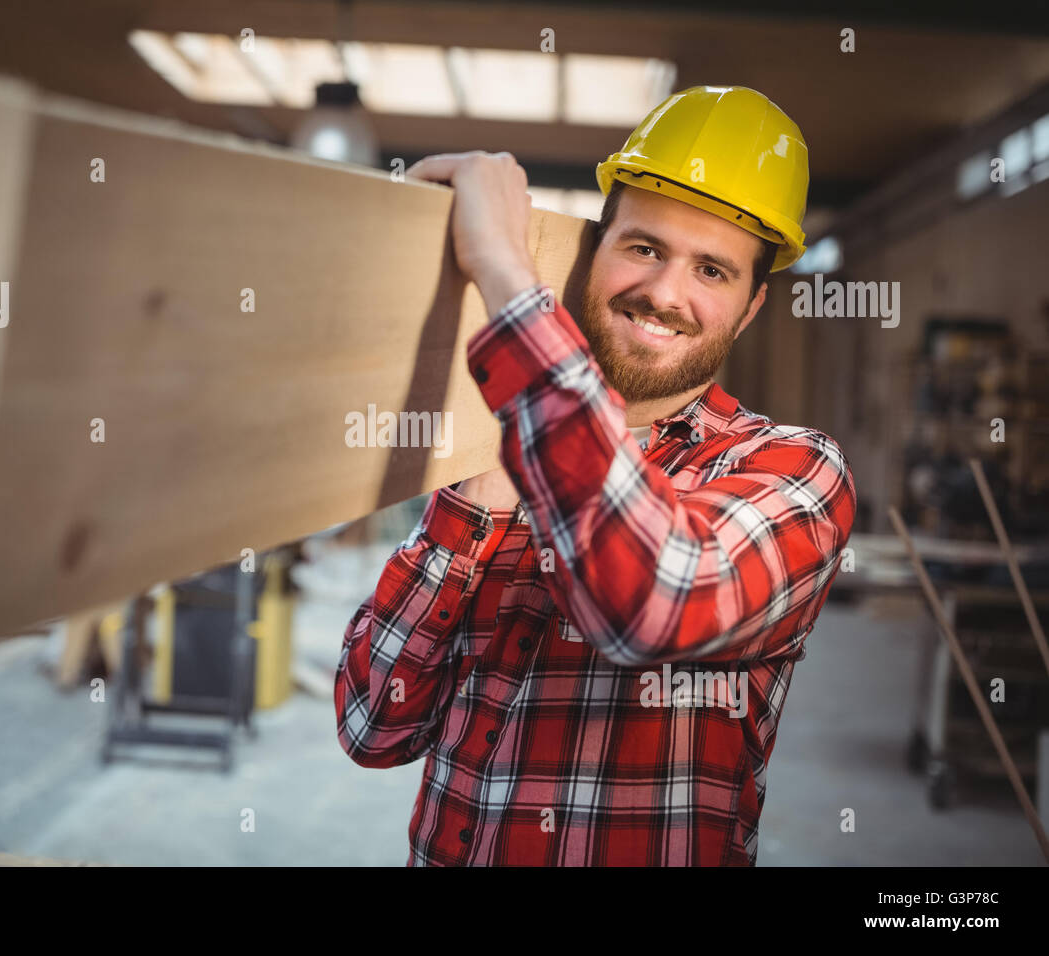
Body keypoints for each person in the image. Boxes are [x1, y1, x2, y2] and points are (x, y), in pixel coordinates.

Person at [335, 86, 857, 865]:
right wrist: (474, 507)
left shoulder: (794, 470)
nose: (664, 293)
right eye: (644, 247)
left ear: (750, 308)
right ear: (596, 246)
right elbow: (372, 729)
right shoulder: (506, 440)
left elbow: (650, 605)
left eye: (712, 270)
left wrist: (503, 270)